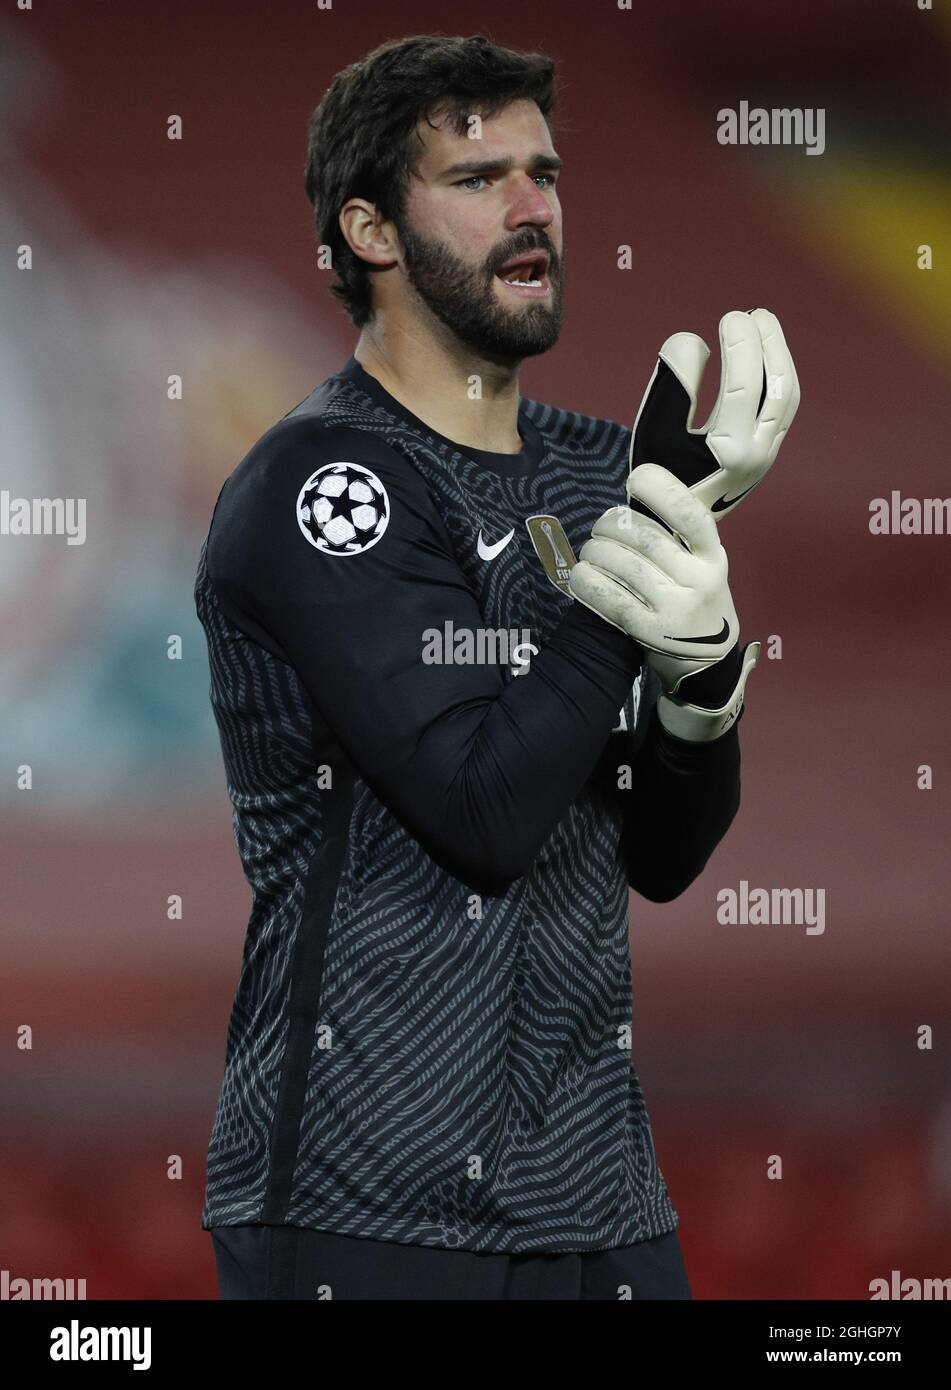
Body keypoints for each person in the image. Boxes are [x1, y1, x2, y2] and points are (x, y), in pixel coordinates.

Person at [195, 32, 795, 1301]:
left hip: (600, 1195)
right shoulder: (324, 484)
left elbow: (663, 855)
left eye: (546, 172)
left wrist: (698, 688)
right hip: (365, 1205)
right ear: (368, 230)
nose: (534, 209)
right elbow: (482, 810)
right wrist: (633, 562)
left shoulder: (599, 465)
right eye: (478, 180)